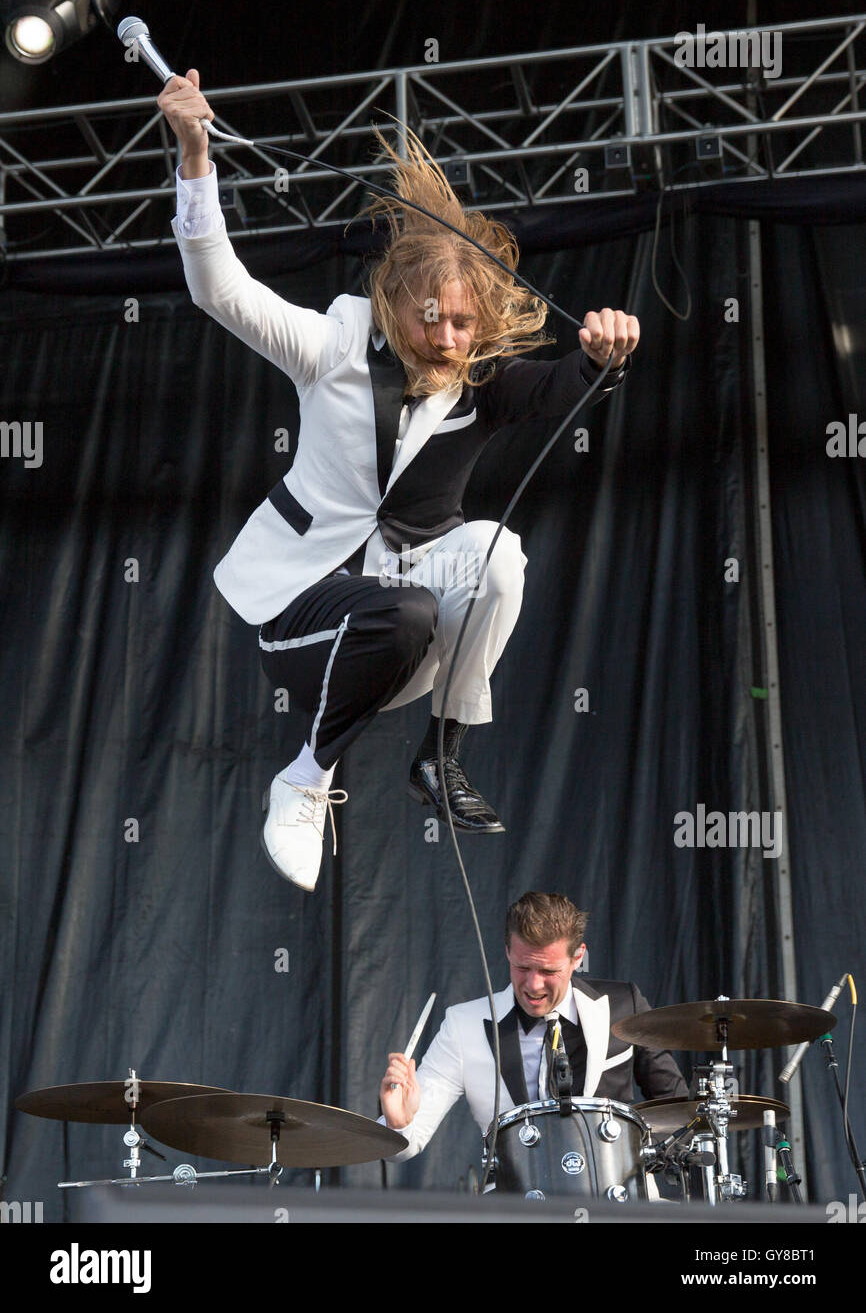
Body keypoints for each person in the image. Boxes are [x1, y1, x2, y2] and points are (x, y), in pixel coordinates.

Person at [157, 71, 641, 893]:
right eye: (431, 318)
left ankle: (441, 756)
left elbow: (559, 386)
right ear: (394, 303)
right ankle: (307, 777)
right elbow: (219, 290)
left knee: (500, 554)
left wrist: (600, 357)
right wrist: (196, 156)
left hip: (409, 633)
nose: (447, 337)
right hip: (305, 615)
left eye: (463, 323)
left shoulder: (481, 379)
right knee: (407, 609)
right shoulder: (333, 344)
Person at [379, 892, 687, 1161]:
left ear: (578, 957)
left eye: (548, 970)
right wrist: (398, 1123)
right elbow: (407, 1143)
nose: (533, 984)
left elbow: (679, 1111)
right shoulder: (464, 1025)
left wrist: (643, 1158)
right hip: (515, 1205)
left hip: (616, 1200)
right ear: (507, 951)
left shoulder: (623, 1006)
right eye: (522, 967)